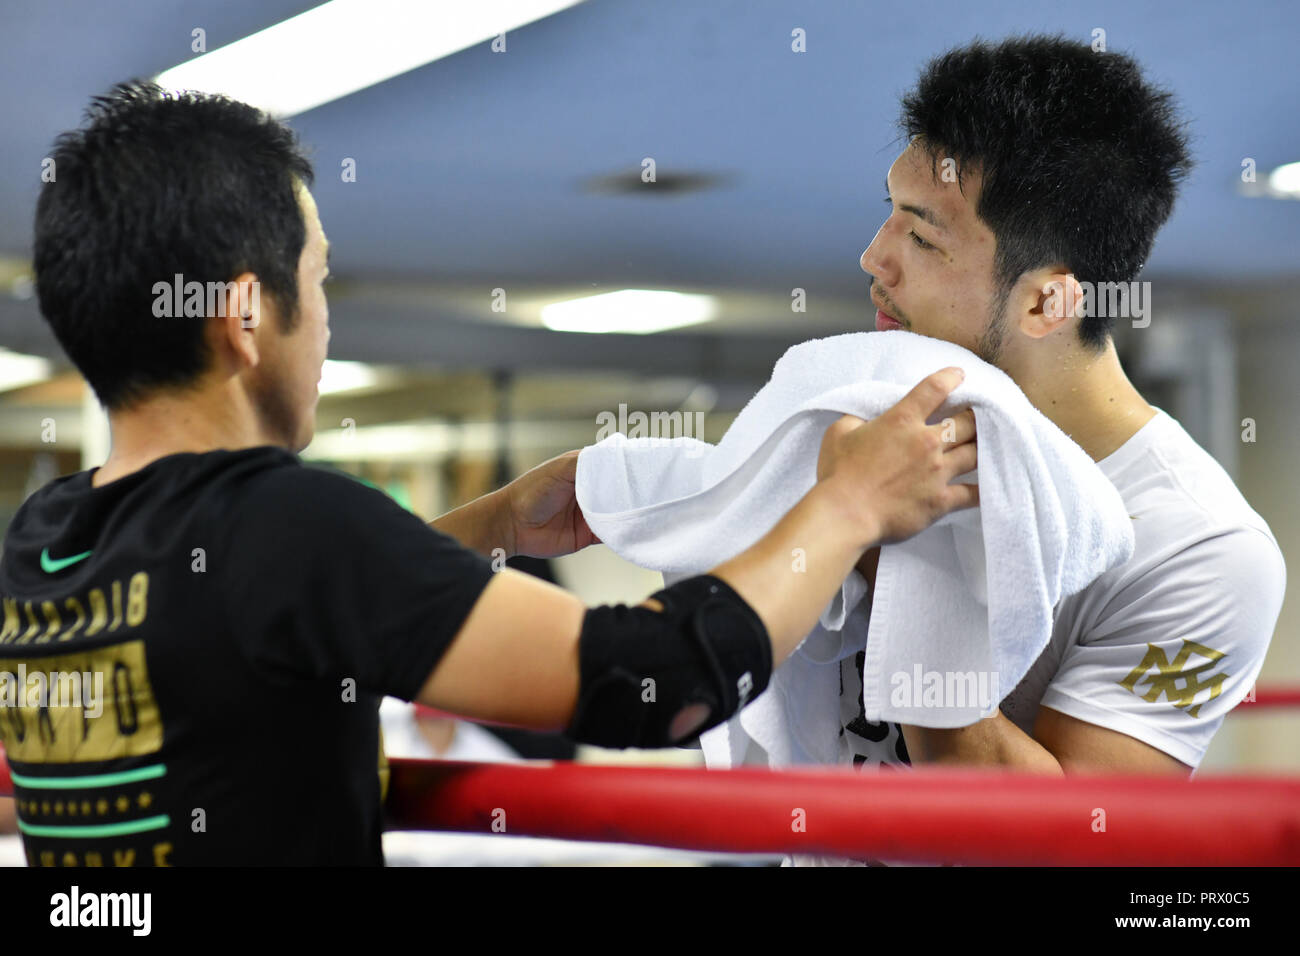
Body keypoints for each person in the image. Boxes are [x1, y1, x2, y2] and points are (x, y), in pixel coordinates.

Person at [0, 81, 977, 866]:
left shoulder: (47, 537)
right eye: (319, 279)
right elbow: (653, 680)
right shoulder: (281, 522)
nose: (328, 320)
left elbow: (257, 617)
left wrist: (498, 522)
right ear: (245, 316)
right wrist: (844, 505)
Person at [833, 35, 1285, 781]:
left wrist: (908, 567)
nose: (875, 257)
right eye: (890, 213)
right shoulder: (877, 424)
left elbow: (1076, 840)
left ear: (1047, 299)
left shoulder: (1198, 547)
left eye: (921, 235)